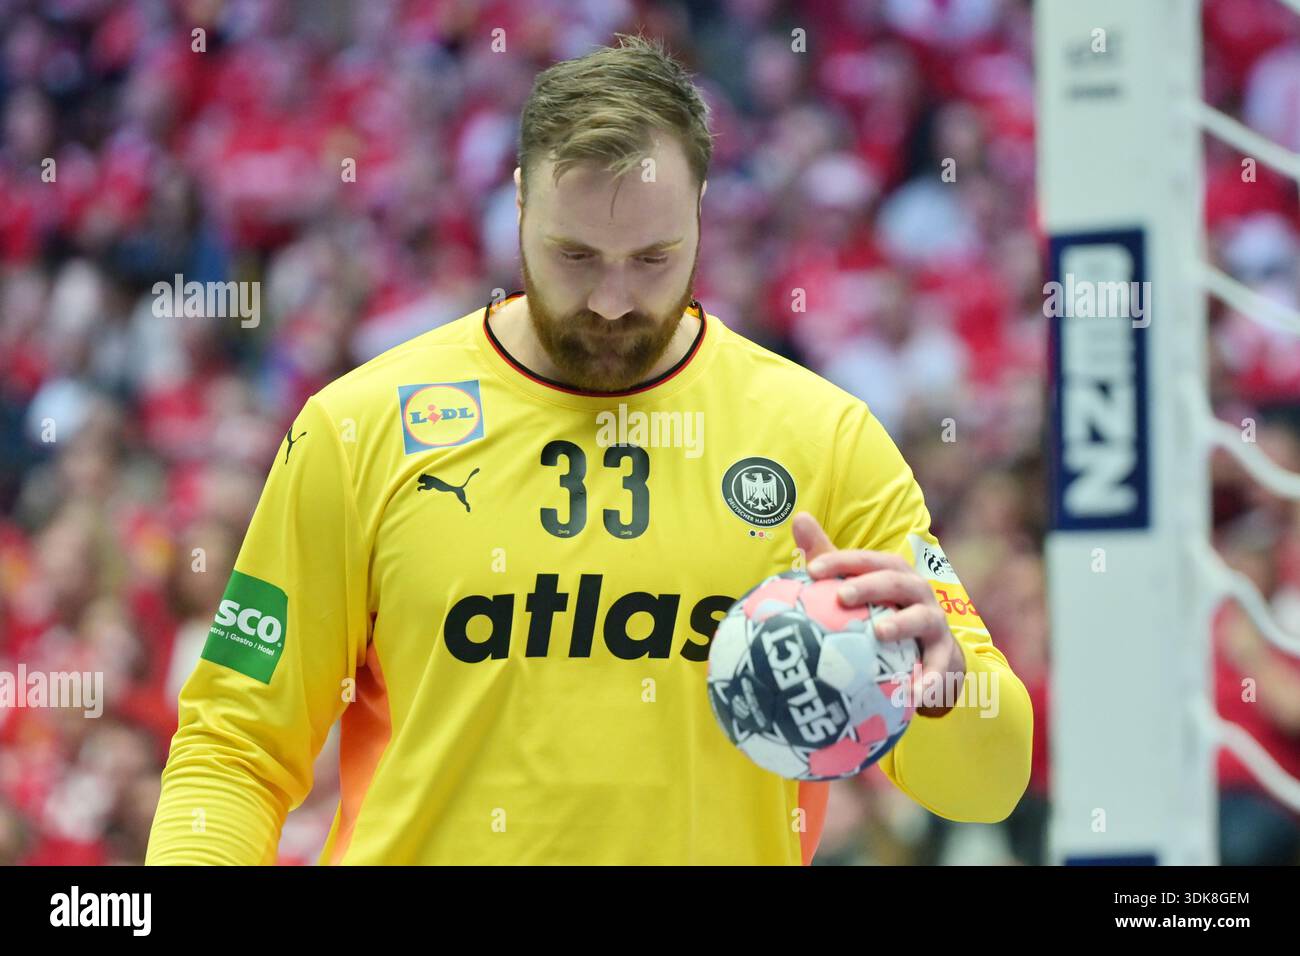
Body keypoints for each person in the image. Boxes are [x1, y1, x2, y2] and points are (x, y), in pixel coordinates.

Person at [146, 34, 1031, 865]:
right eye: (574, 256)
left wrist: (948, 691)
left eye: (652, 259)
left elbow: (988, 784)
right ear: (519, 208)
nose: (612, 301)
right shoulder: (358, 427)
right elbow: (235, 745)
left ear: (702, 214)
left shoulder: (824, 438)